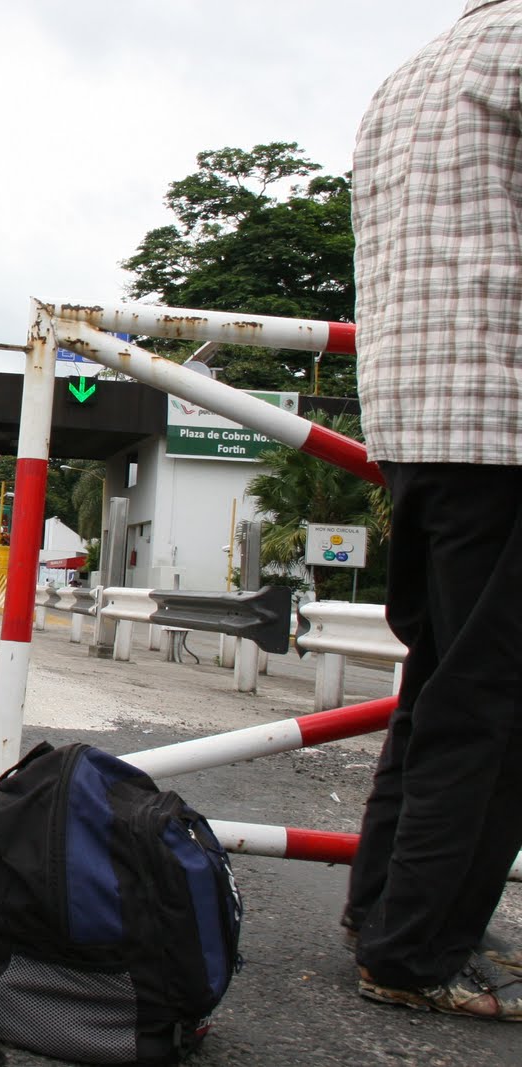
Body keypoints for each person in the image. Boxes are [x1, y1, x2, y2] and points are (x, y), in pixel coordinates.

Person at [346, 0, 522, 1021]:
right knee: (491, 702)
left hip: (413, 422)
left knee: (440, 682)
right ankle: (417, 950)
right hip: (505, 419)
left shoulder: (410, 72)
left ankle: (383, 909)